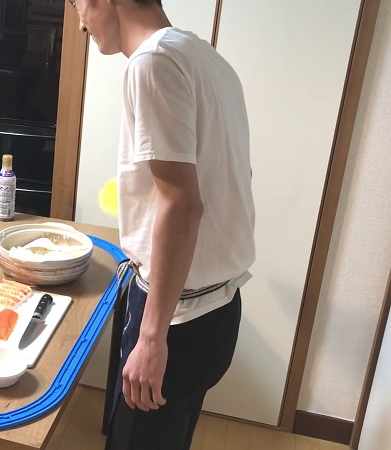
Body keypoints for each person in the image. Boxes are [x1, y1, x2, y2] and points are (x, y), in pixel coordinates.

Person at [69, 1, 256, 448]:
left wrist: (151, 338)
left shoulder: (152, 61)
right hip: (218, 309)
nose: (79, 23)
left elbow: (181, 205)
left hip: (176, 318)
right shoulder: (207, 59)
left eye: (77, 5)